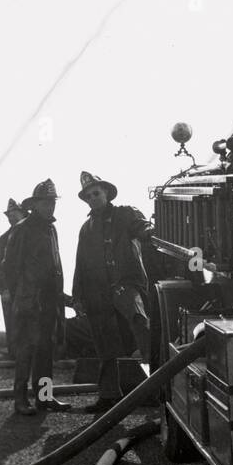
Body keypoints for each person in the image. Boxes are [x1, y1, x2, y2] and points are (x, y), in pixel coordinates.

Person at [71, 170, 154, 414]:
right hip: (99, 292)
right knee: (104, 343)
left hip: (126, 284)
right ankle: (108, 396)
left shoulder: (126, 213)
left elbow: (142, 227)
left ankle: (156, 388)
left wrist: (149, 231)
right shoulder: (86, 228)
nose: (93, 198)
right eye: (88, 196)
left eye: (96, 193)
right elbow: (81, 264)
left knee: (141, 324)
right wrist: (78, 297)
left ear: (106, 192)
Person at [3, 179, 72, 416]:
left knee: (45, 351)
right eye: (45, 202)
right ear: (34, 205)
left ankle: (44, 397)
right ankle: (20, 399)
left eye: (53, 201)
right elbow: (8, 267)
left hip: (49, 302)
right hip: (30, 302)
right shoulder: (22, 229)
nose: (50, 206)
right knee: (26, 351)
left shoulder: (51, 228)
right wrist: (22, 295)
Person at [0, 197, 26, 358]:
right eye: (9, 214)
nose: (11, 217)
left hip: (29, 289)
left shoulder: (32, 233)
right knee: (12, 322)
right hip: (11, 291)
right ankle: (15, 355)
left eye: (14, 213)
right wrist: (4, 289)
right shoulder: (3, 239)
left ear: (22, 213)